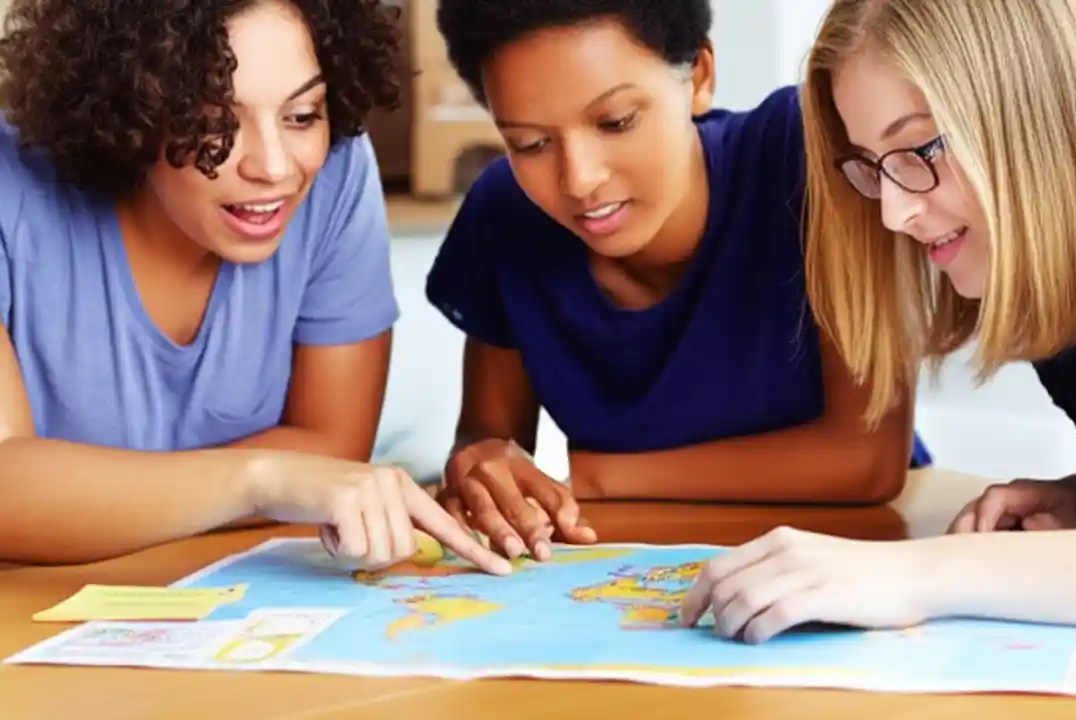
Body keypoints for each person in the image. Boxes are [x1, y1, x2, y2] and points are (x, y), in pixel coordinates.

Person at [681, 0, 1076, 643]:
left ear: (1034, 107)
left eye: (917, 149)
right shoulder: (1059, 269)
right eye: (874, 166)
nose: (893, 213)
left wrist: (927, 572)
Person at [0, 0, 508, 574]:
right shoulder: (10, 187)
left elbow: (333, 445)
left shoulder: (336, 172)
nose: (274, 167)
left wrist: (72, 496)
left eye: (302, 115)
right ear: (126, 106)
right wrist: (262, 480)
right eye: (213, 120)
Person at [427, 0, 933, 562]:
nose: (580, 180)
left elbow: (866, 460)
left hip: (853, 551)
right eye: (530, 144)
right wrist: (480, 467)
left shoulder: (804, 155)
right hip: (621, 565)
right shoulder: (505, 213)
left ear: (698, 77)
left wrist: (597, 475)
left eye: (616, 121)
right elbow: (490, 443)